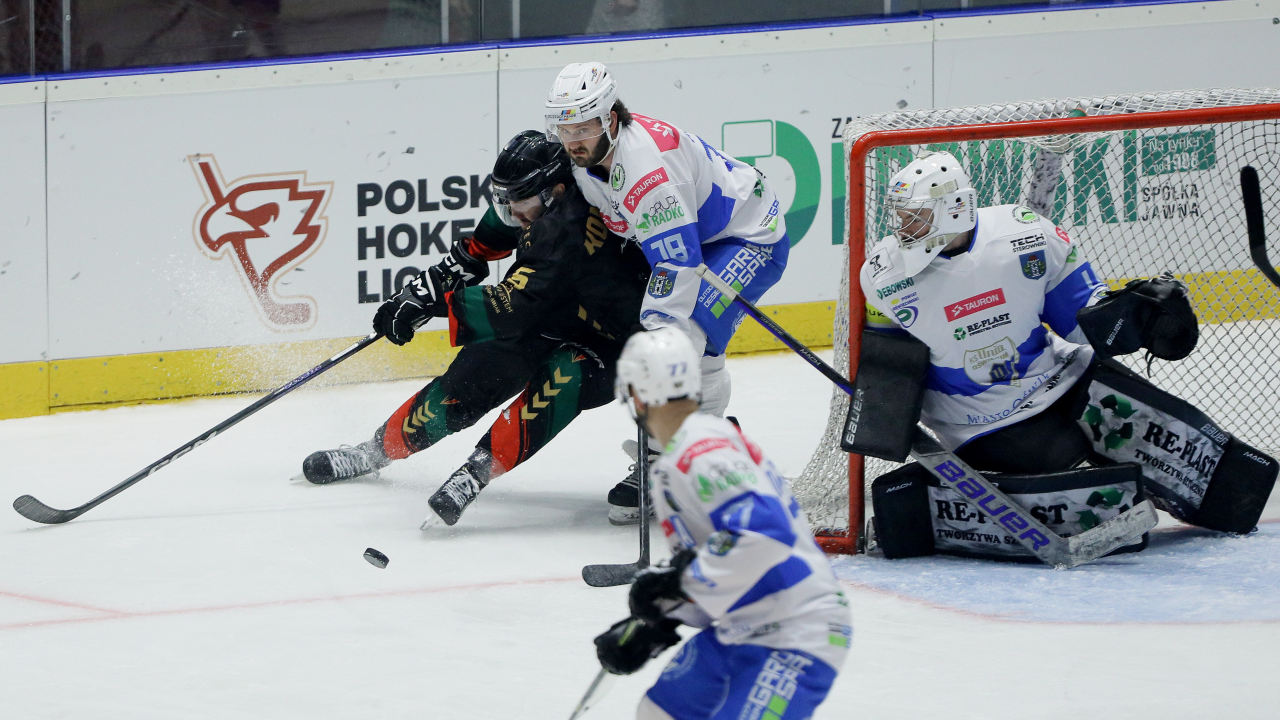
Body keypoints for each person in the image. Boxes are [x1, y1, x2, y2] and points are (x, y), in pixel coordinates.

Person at [860, 150, 1275, 536]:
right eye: (901, 217)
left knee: (1155, 426)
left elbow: (1084, 325)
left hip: (1060, 375)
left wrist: (1136, 320)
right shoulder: (884, 276)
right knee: (1058, 453)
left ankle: (1229, 499)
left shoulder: (1024, 232)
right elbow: (892, 368)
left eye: (915, 217)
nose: (903, 229)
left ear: (955, 209)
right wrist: (882, 421)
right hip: (980, 420)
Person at [302, 130, 650, 528]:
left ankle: (474, 474)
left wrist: (431, 302)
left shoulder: (565, 231)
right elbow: (494, 233)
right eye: (506, 198)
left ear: (555, 191)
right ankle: (373, 451)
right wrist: (440, 276)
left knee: (563, 377)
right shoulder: (548, 194)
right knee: (473, 378)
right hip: (552, 313)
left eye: (519, 200)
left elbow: (513, 307)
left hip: (615, 341)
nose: (512, 210)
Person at [543, 61, 791, 521]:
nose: (574, 139)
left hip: (748, 237)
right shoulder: (584, 158)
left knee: (686, 338)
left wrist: (657, 341)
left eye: (585, 125)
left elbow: (679, 262)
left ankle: (667, 457)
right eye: (564, 127)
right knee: (693, 348)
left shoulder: (646, 174)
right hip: (699, 239)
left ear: (611, 118)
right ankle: (704, 447)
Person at [593, 328, 851, 720]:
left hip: (796, 630)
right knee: (658, 712)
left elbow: (765, 535)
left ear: (636, 395)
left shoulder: (702, 449)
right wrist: (655, 623)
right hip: (740, 627)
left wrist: (676, 580)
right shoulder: (686, 452)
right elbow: (726, 564)